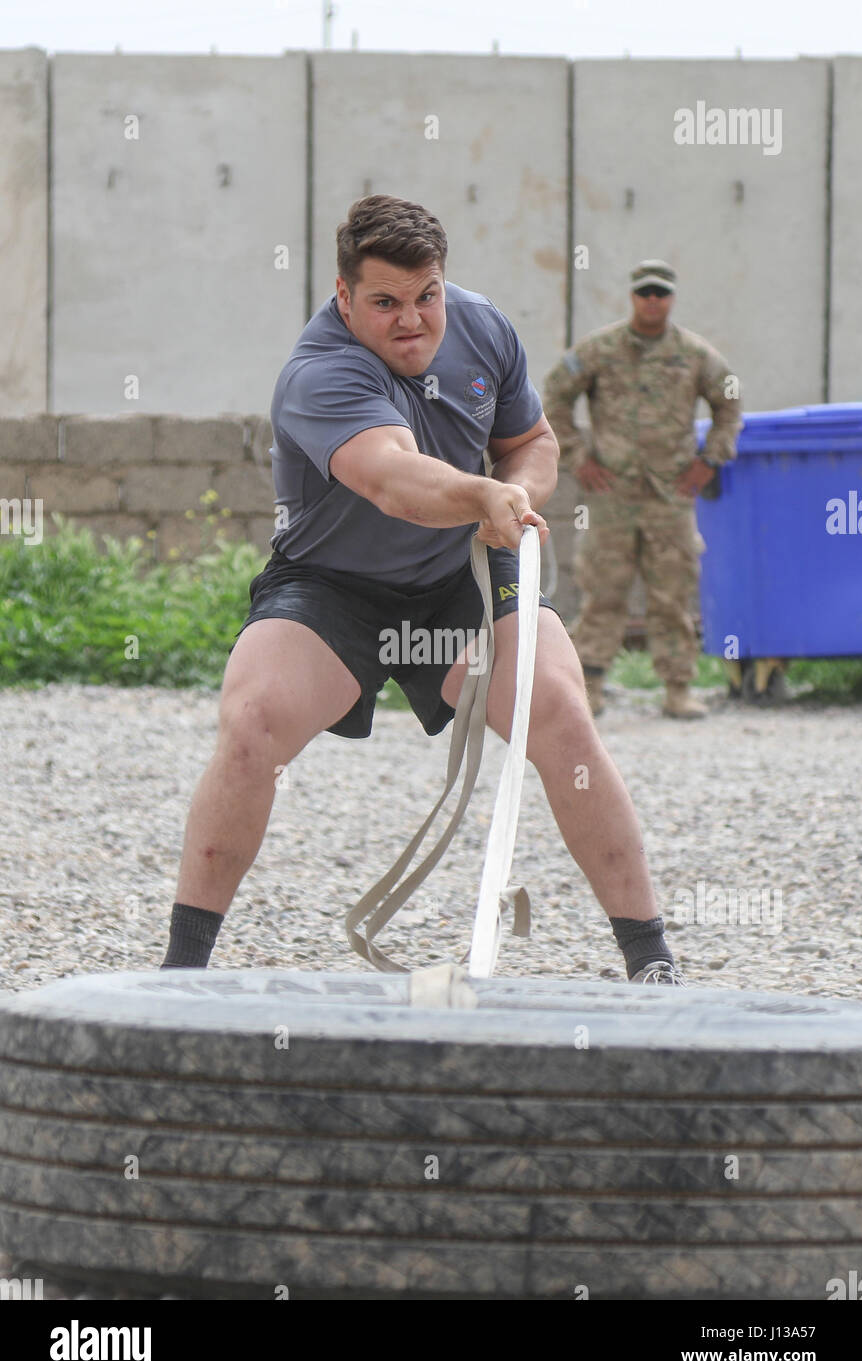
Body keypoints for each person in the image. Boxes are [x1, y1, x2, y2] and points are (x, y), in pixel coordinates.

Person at [160, 197, 683, 985]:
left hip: (459, 577)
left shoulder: (483, 327)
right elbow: (395, 480)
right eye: (385, 303)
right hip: (334, 585)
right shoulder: (320, 370)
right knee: (252, 721)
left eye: (426, 296)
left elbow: (533, 441)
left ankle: (653, 963)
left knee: (560, 713)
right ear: (344, 297)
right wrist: (483, 498)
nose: (412, 321)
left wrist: (517, 490)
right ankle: (179, 976)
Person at [543, 260, 742, 717]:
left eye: (661, 293)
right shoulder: (600, 349)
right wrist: (578, 457)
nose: (653, 300)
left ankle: (677, 688)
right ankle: (588, 685)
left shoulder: (695, 355)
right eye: (645, 292)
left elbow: (729, 400)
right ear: (633, 296)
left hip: (670, 494)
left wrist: (709, 459)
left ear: (671, 298)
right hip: (611, 491)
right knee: (602, 589)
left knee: (672, 592)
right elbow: (554, 395)